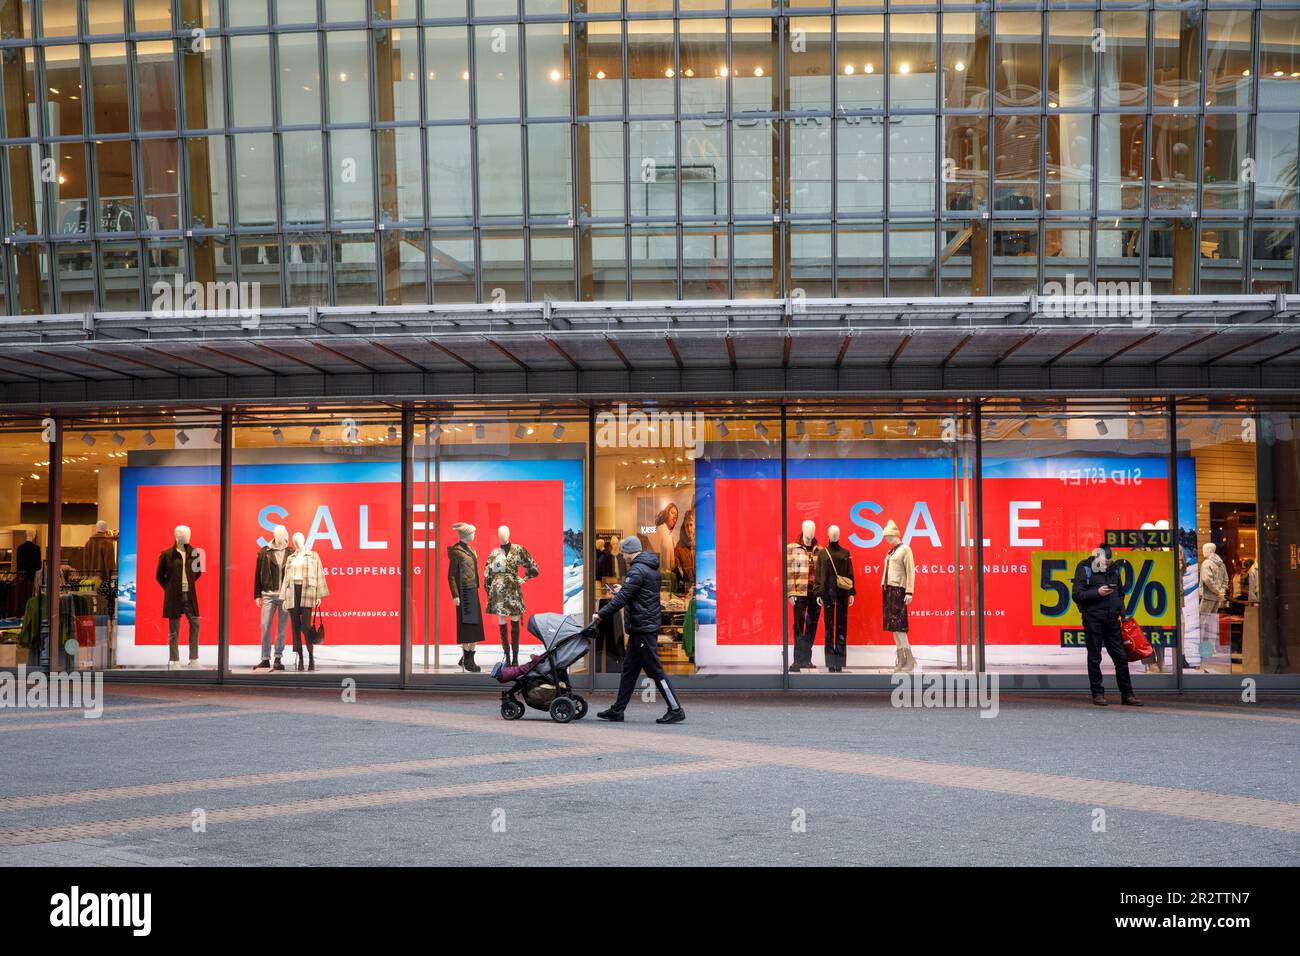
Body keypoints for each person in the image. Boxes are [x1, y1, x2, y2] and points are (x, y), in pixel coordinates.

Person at [592, 535, 684, 724]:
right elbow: (636, 594)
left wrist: (601, 614)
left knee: (656, 671)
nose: (623, 556)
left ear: (628, 553)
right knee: (629, 670)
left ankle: (676, 709)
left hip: (642, 628)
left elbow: (622, 599)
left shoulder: (637, 570)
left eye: (624, 553)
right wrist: (623, 589)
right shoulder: (647, 568)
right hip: (641, 628)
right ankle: (618, 710)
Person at [1071, 544, 1141, 707]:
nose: (1106, 565)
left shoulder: (1114, 569)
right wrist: (1098, 592)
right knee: (1095, 657)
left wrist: (1121, 613)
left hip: (1112, 619)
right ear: (1096, 558)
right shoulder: (1084, 568)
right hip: (1093, 619)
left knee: (1121, 658)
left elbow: (1120, 593)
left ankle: (1127, 694)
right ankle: (1097, 693)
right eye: (1104, 563)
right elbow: (1077, 595)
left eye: (1109, 563)